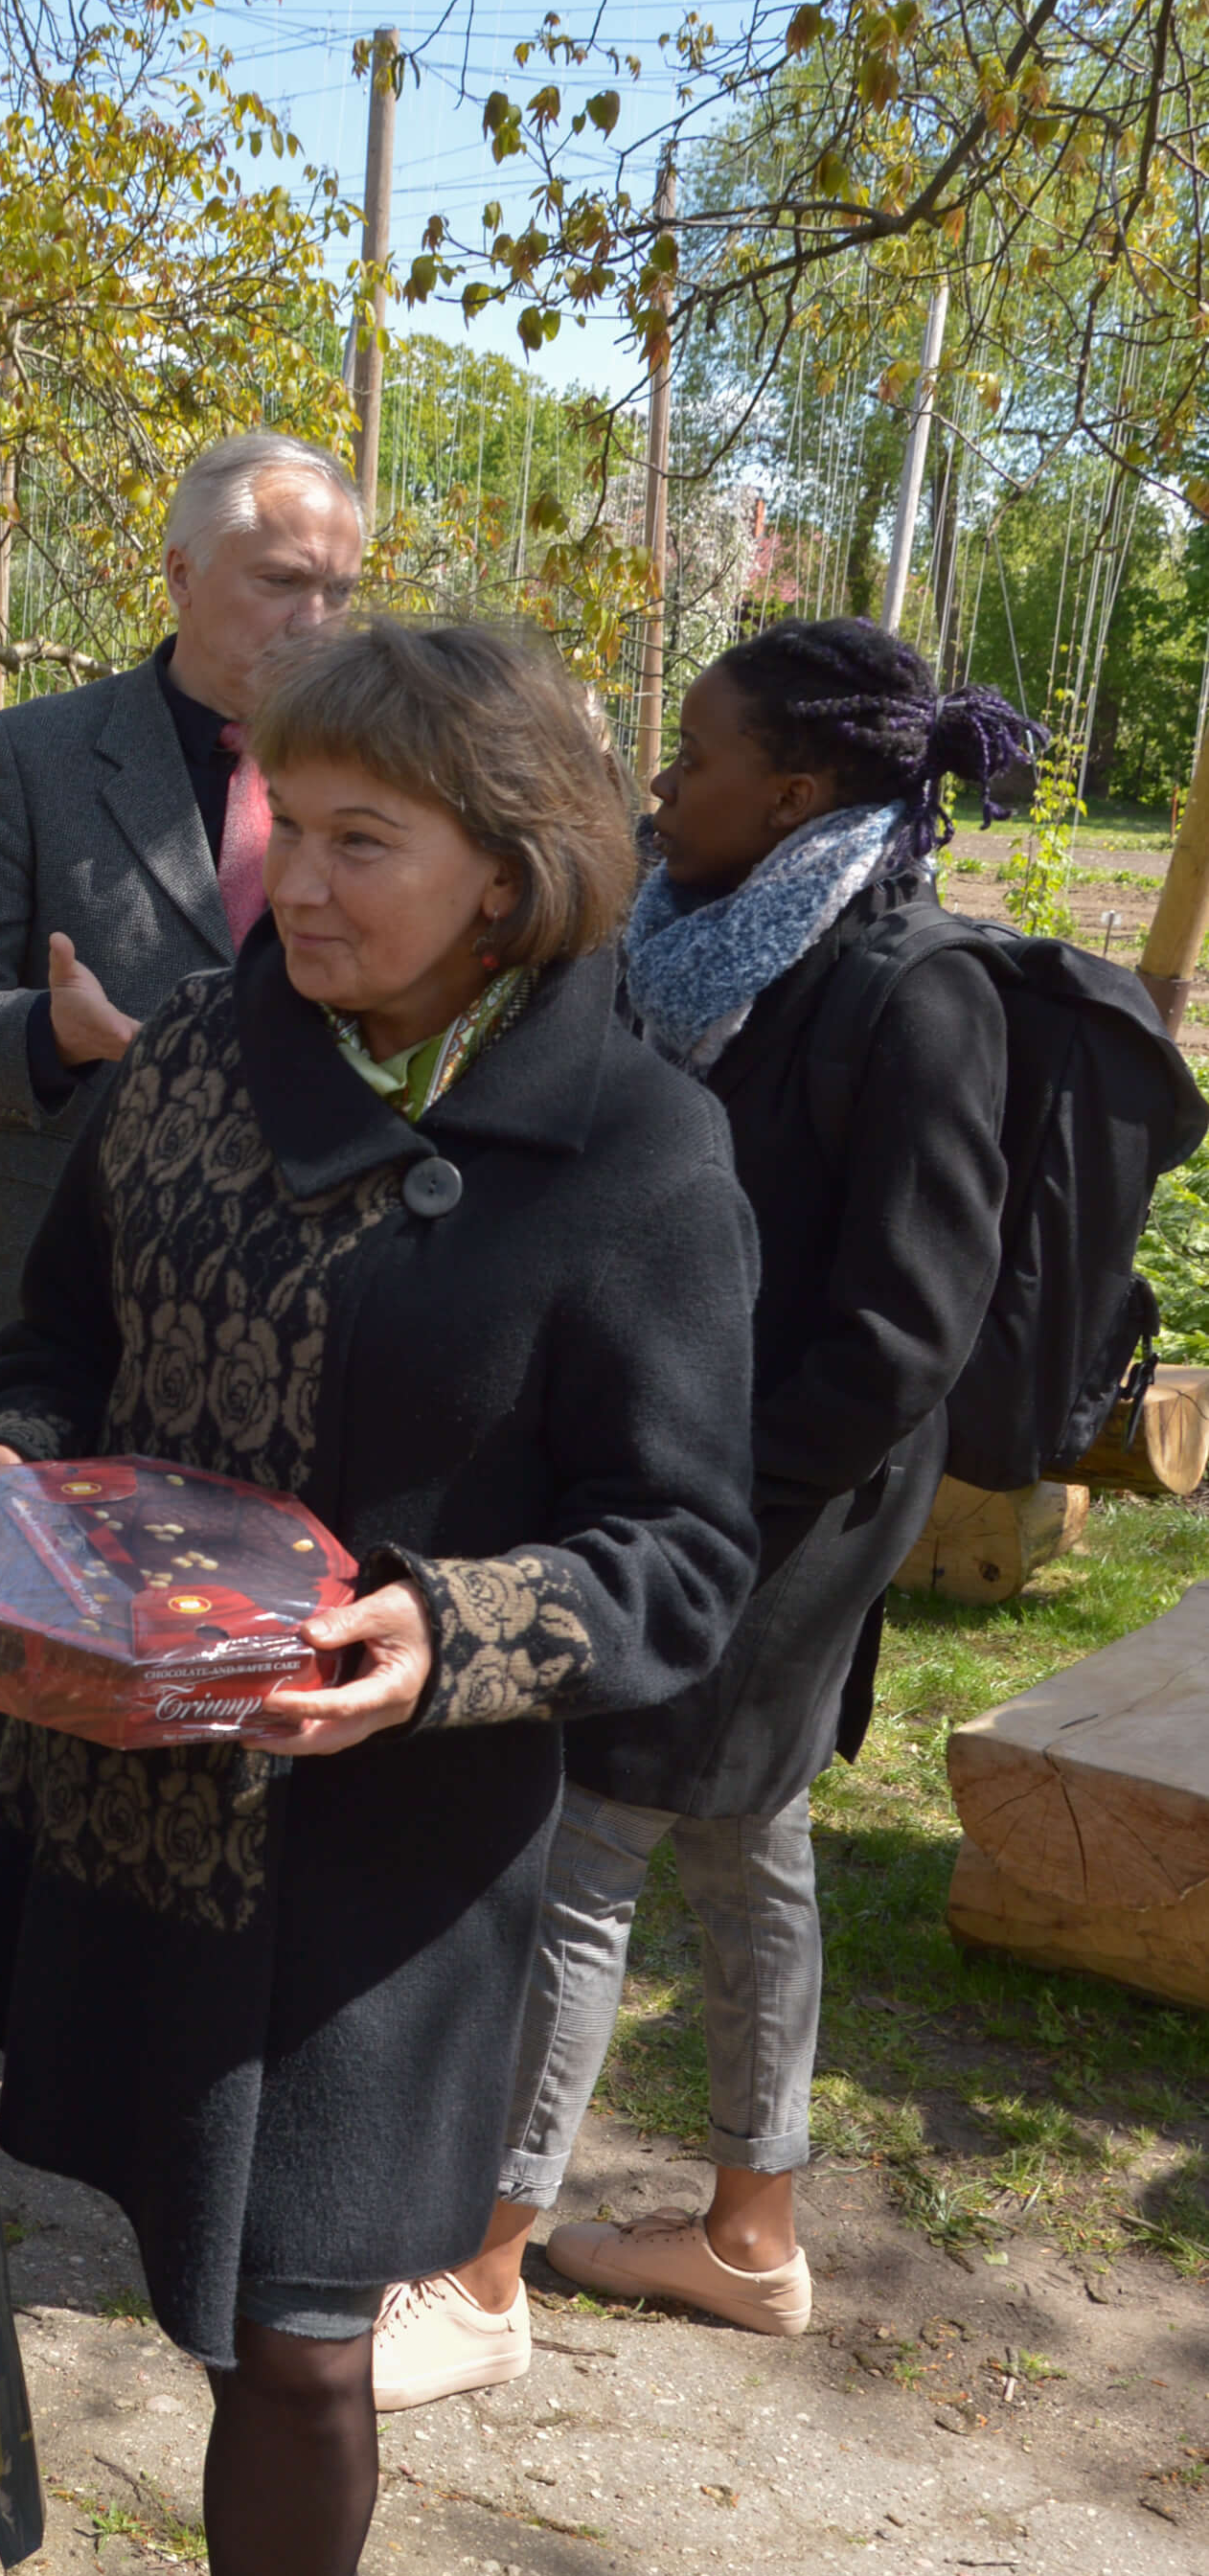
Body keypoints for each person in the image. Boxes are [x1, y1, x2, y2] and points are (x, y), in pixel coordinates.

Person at [0, 617, 760, 2576]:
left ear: (509, 877)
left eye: (360, 844)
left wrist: (442, 1630)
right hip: (120, 1794)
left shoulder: (635, 1156)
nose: (296, 881)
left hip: (382, 1869)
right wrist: (10, 1451)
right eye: (284, 831)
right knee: (193, 2283)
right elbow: (48, 1322)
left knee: (299, 2331)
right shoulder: (198, 1059)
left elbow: (678, 1560)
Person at [373, 619, 1027, 2405]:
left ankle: (480, 2269)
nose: (659, 784)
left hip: (775, 1517)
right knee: (754, 1847)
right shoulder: (707, 948)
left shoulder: (915, 991)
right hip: (701, 1486)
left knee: (581, 1850)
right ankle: (750, 2240)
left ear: (797, 793)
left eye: (696, 757)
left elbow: (904, 1334)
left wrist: (701, 1497)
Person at [0, 430, 367, 1953]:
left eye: (343, 587)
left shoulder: (377, 780)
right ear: (179, 574)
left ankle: (148, 2002)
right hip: (61, 1320)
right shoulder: (38, 756)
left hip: (297, 1337)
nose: (317, 618)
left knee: (236, 1684)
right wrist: (53, 1042)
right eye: (284, 582)